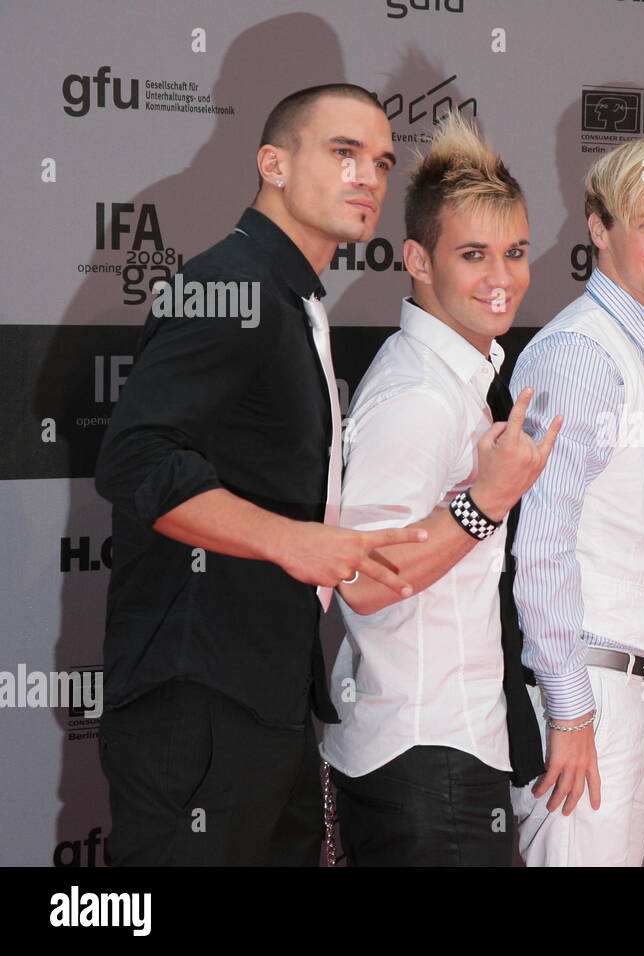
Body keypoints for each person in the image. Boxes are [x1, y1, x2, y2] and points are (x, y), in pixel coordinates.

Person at [94, 84, 427, 866]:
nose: (368, 176)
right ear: (273, 164)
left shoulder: (287, 295)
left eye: (382, 162)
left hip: (262, 694)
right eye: (343, 152)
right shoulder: (233, 285)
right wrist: (294, 541)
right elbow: (136, 459)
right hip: (199, 700)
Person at [320, 113, 559, 866]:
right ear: (419, 260)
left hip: (440, 747)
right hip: (425, 757)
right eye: (474, 254)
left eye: (515, 252)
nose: (503, 278)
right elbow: (361, 578)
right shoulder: (418, 394)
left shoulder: (457, 377)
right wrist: (486, 502)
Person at [508, 138, 644, 866]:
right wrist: (570, 711)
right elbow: (541, 543)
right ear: (599, 227)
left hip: (628, 686)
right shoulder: (582, 354)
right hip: (585, 690)